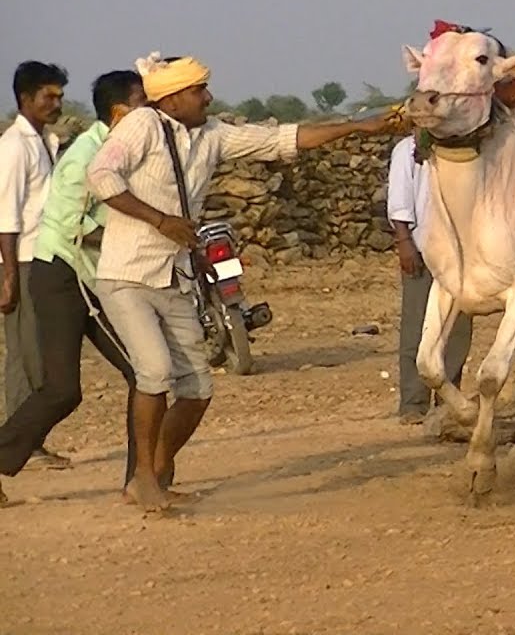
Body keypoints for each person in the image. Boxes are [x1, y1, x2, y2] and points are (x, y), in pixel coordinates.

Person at [86, 52, 396, 511]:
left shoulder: (211, 136)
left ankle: (152, 473)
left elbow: (281, 140)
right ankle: (145, 477)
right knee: (153, 371)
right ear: (170, 99)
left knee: (197, 389)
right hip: (126, 275)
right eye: (198, 90)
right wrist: (160, 219)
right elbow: (101, 176)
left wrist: (358, 127)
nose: (208, 97)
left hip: (173, 277)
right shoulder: (141, 126)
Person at [0, 71, 147, 506]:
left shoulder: (66, 144)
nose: (57, 103)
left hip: (75, 270)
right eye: (49, 95)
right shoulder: (83, 152)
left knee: (141, 373)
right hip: (58, 269)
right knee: (55, 383)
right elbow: (21, 219)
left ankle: (145, 477)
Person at [0, 61, 71, 472]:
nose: (56, 103)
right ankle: (19, 442)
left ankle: (26, 442)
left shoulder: (45, 140)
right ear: (25, 98)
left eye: (59, 96)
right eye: (49, 96)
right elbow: (6, 216)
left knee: (34, 353)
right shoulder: (15, 145)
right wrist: (9, 277)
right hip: (22, 260)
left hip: (41, 257)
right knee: (26, 356)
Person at [387, 133, 472, 423]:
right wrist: (404, 242)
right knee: (417, 326)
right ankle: (413, 403)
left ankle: (448, 400)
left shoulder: (464, 148)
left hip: (461, 252)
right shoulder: (408, 149)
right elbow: (399, 201)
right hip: (423, 249)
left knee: (457, 332)